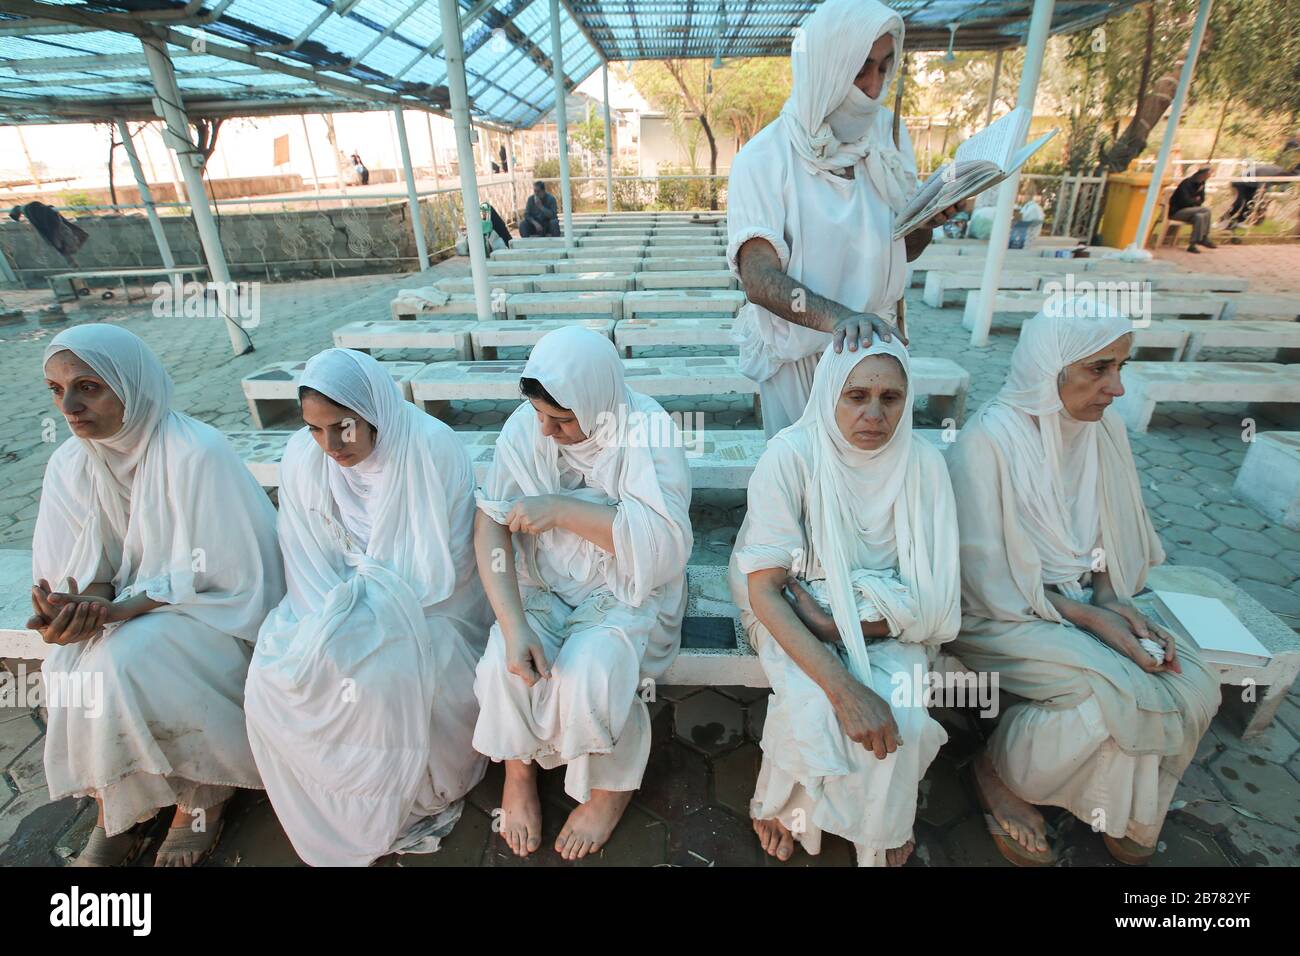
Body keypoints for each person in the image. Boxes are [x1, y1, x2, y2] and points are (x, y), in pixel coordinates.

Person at [946, 305, 1221, 866]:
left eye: (1121, 366)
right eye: (1098, 368)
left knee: (1191, 682)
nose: (1116, 388)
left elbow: (1108, 543)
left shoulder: (1102, 431)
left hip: (1083, 603)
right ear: (1051, 368)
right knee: (1115, 694)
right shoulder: (986, 443)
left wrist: (1110, 598)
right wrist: (1092, 620)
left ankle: (1116, 801)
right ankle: (998, 772)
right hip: (1005, 615)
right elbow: (982, 588)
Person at [30, 324, 283, 867]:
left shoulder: (197, 453)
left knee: (128, 659)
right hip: (129, 612)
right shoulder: (71, 463)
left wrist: (121, 611)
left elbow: (239, 581)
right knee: (70, 664)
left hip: (215, 617)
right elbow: (92, 569)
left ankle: (203, 795)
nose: (69, 407)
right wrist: (75, 610)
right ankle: (119, 801)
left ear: (133, 384)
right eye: (56, 390)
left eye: (88, 387)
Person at [244, 349, 493, 867]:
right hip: (333, 600)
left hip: (434, 607)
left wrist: (370, 614)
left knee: (388, 676)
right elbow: (306, 559)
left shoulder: (430, 448)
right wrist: (336, 622)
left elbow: (445, 567)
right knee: (280, 675)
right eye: (315, 429)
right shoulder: (303, 459)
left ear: (374, 409)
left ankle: (412, 795)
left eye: (344, 427)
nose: (331, 445)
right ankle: (345, 808)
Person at [730, 337, 960, 866]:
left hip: (888, 618)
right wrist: (843, 688)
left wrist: (839, 628)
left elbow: (939, 607)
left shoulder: (924, 466)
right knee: (815, 704)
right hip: (790, 603)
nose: (874, 414)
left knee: (905, 716)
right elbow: (766, 588)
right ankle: (784, 805)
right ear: (830, 391)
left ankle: (878, 823)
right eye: (856, 395)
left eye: (890, 398)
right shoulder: (791, 456)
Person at [472, 327, 692, 861]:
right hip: (544, 583)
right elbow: (491, 523)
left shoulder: (646, 429)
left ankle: (610, 789)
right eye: (539, 415)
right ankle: (518, 772)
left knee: (594, 669)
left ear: (596, 402)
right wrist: (513, 623)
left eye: (562, 419)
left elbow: (665, 548)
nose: (545, 431)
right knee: (502, 665)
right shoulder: (527, 427)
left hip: (627, 589)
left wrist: (563, 510)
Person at [726, 0, 958, 437]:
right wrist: (842, 320)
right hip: (803, 359)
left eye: (885, 68)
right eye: (860, 70)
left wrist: (927, 221)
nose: (873, 87)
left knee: (875, 484)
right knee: (808, 482)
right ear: (827, 66)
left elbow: (899, 250)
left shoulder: (888, 137)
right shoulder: (764, 158)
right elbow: (758, 277)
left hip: (875, 355)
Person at [9, 201, 89, 264]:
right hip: (38, 212)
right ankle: (70, 259)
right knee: (61, 237)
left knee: (60, 238)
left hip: (37, 212)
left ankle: (70, 259)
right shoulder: (61, 237)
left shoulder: (60, 238)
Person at [1168, 167, 1216, 252]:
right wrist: (1195, 200)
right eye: (1206, 176)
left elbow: (1201, 200)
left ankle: (1192, 245)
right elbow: (1185, 201)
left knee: (1199, 217)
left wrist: (1195, 201)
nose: (1206, 178)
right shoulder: (1186, 183)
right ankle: (1204, 237)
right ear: (1201, 175)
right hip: (1177, 211)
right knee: (1206, 210)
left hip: (1191, 211)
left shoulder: (1201, 184)